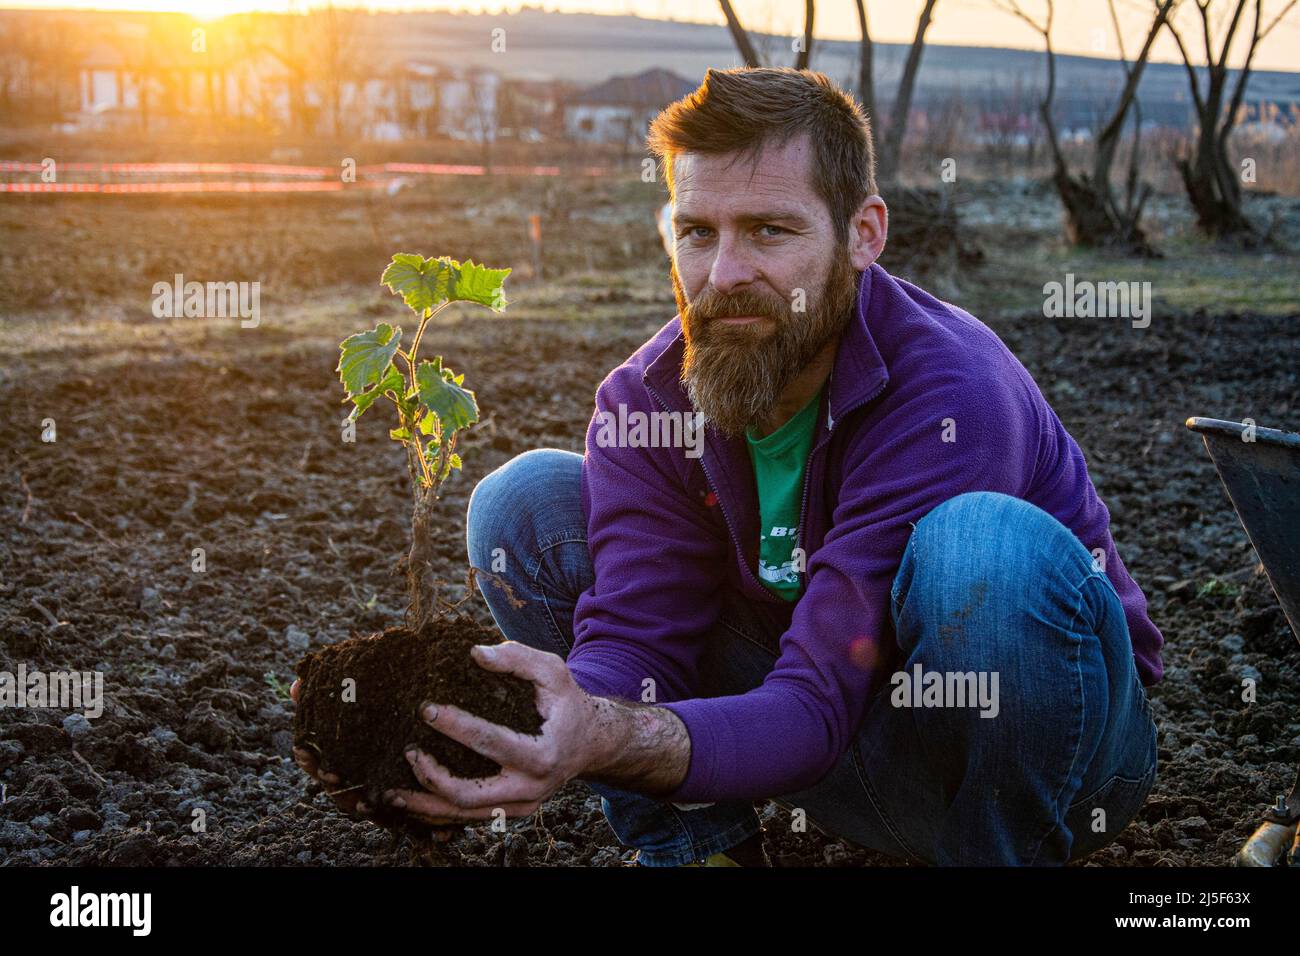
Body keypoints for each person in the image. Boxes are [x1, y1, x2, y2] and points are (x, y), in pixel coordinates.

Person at [296, 66, 1161, 867]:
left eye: (770, 232)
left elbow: (824, 695)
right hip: (816, 749)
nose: (724, 273)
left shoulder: (947, 394)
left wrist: (611, 738)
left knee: (988, 553)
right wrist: (556, 722)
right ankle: (704, 854)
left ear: (865, 234)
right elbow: (635, 640)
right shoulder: (646, 400)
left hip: (1038, 765)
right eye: (698, 232)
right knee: (522, 506)